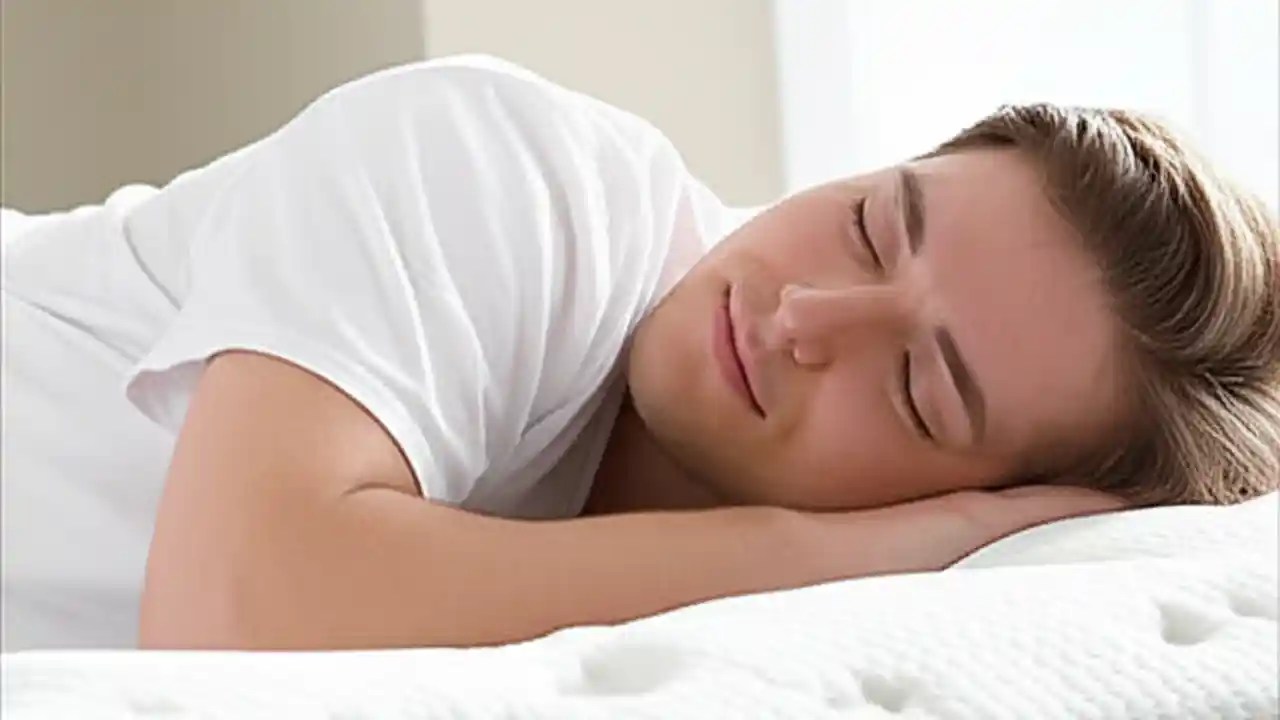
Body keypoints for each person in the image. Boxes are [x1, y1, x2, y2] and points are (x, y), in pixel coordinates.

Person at [1, 56, 1275, 651]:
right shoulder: (516, 172)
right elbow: (234, 630)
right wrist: (863, 548)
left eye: (914, 392)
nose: (803, 318)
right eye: (869, 223)